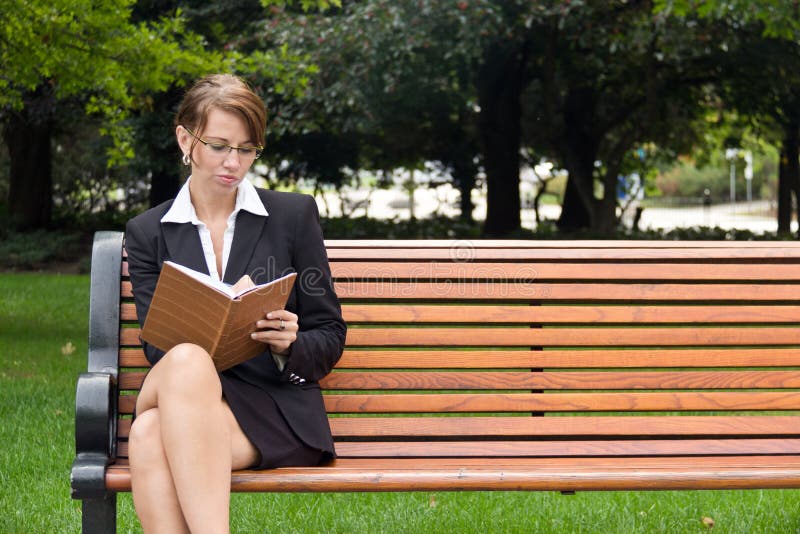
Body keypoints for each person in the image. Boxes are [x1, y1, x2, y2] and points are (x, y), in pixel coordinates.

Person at [124, 74, 346, 533]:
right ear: (185, 138)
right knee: (186, 359)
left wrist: (290, 343)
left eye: (246, 149)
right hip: (184, 387)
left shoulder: (292, 216)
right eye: (219, 145)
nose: (233, 162)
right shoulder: (149, 232)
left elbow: (329, 333)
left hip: (271, 407)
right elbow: (156, 349)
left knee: (148, 435)